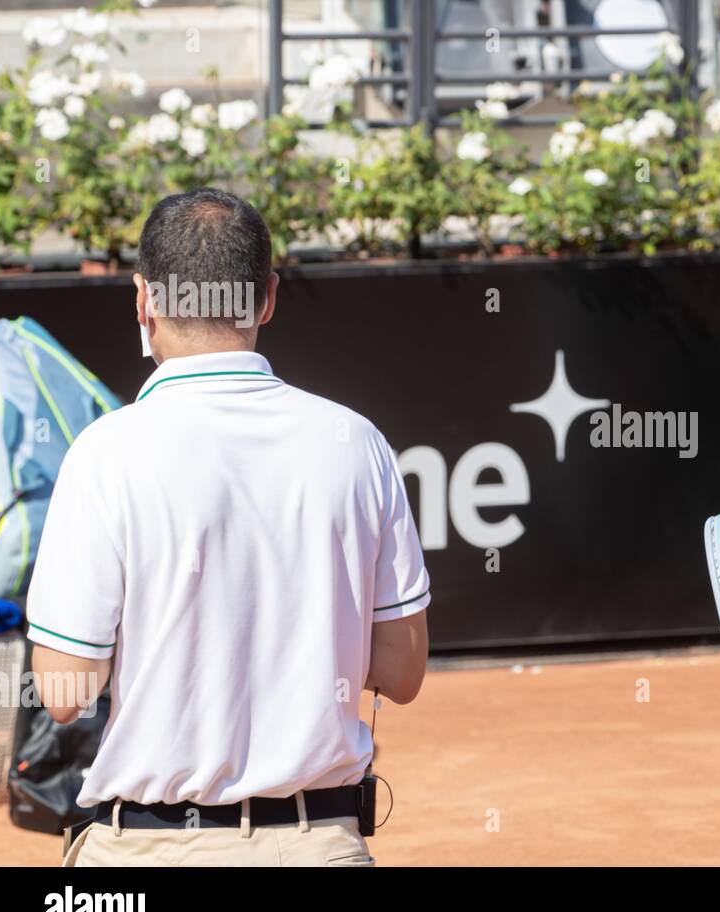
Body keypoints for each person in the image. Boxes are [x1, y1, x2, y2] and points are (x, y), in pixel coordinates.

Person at [27, 188, 430, 867]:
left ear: (143, 300)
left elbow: (65, 692)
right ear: (267, 298)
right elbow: (401, 669)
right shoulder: (354, 442)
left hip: (142, 853)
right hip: (319, 845)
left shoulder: (105, 451)